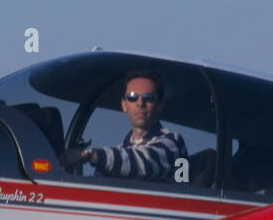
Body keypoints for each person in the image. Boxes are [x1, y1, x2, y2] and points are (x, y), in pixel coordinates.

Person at [59, 71, 187, 180]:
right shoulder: (119, 155)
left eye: (148, 98)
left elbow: (142, 163)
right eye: (132, 98)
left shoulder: (172, 142)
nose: (140, 103)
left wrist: (87, 155)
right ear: (124, 105)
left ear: (160, 105)